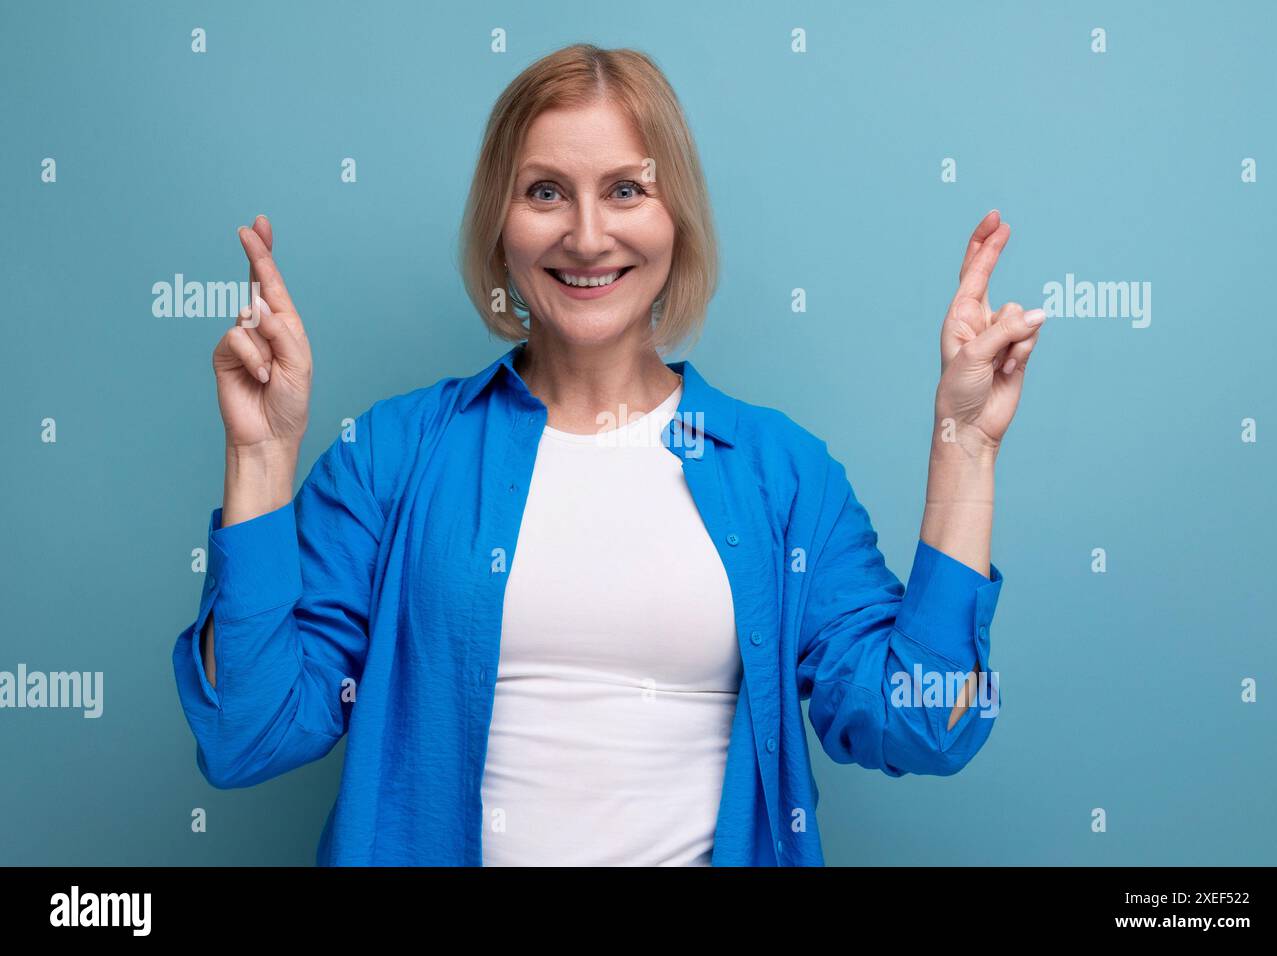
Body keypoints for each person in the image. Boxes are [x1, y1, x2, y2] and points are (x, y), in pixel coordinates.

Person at [173, 43, 1041, 866]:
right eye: (546, 192)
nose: (587, 238)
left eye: (626, 190)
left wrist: (965, 449)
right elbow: (246, 732)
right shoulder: (393, 456)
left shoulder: (781, 473)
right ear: (499, 226)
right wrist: (261, 454)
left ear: (678, 219)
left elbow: (922, 725)